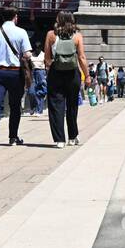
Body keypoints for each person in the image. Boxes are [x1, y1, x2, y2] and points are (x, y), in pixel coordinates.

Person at [0, 10, 32, 148]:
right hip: (16, 73)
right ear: (15, 17)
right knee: (15, 106)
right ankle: (13, 137)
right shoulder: (21, 32)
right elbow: (27, 54)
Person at [44, 10, 90, 146]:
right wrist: (87, 75)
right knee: (72, 105)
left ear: (60, 19)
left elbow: (47, 58)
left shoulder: (51, 35)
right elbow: (81, 57)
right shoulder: (77, 36)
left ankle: (59, 140)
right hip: (73, 73)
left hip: (55, 73)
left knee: (56, 106)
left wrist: (50, 68)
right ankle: (72, 137)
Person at [28, 47, 47, 116]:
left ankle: (39, 110)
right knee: (31, 91)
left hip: (41, 72)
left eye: (39, 46)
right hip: (33, 72)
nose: (37, 48)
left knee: (40, 92)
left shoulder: (44, 54)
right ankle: (33, 107)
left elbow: (47, 64)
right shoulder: (31, 55)